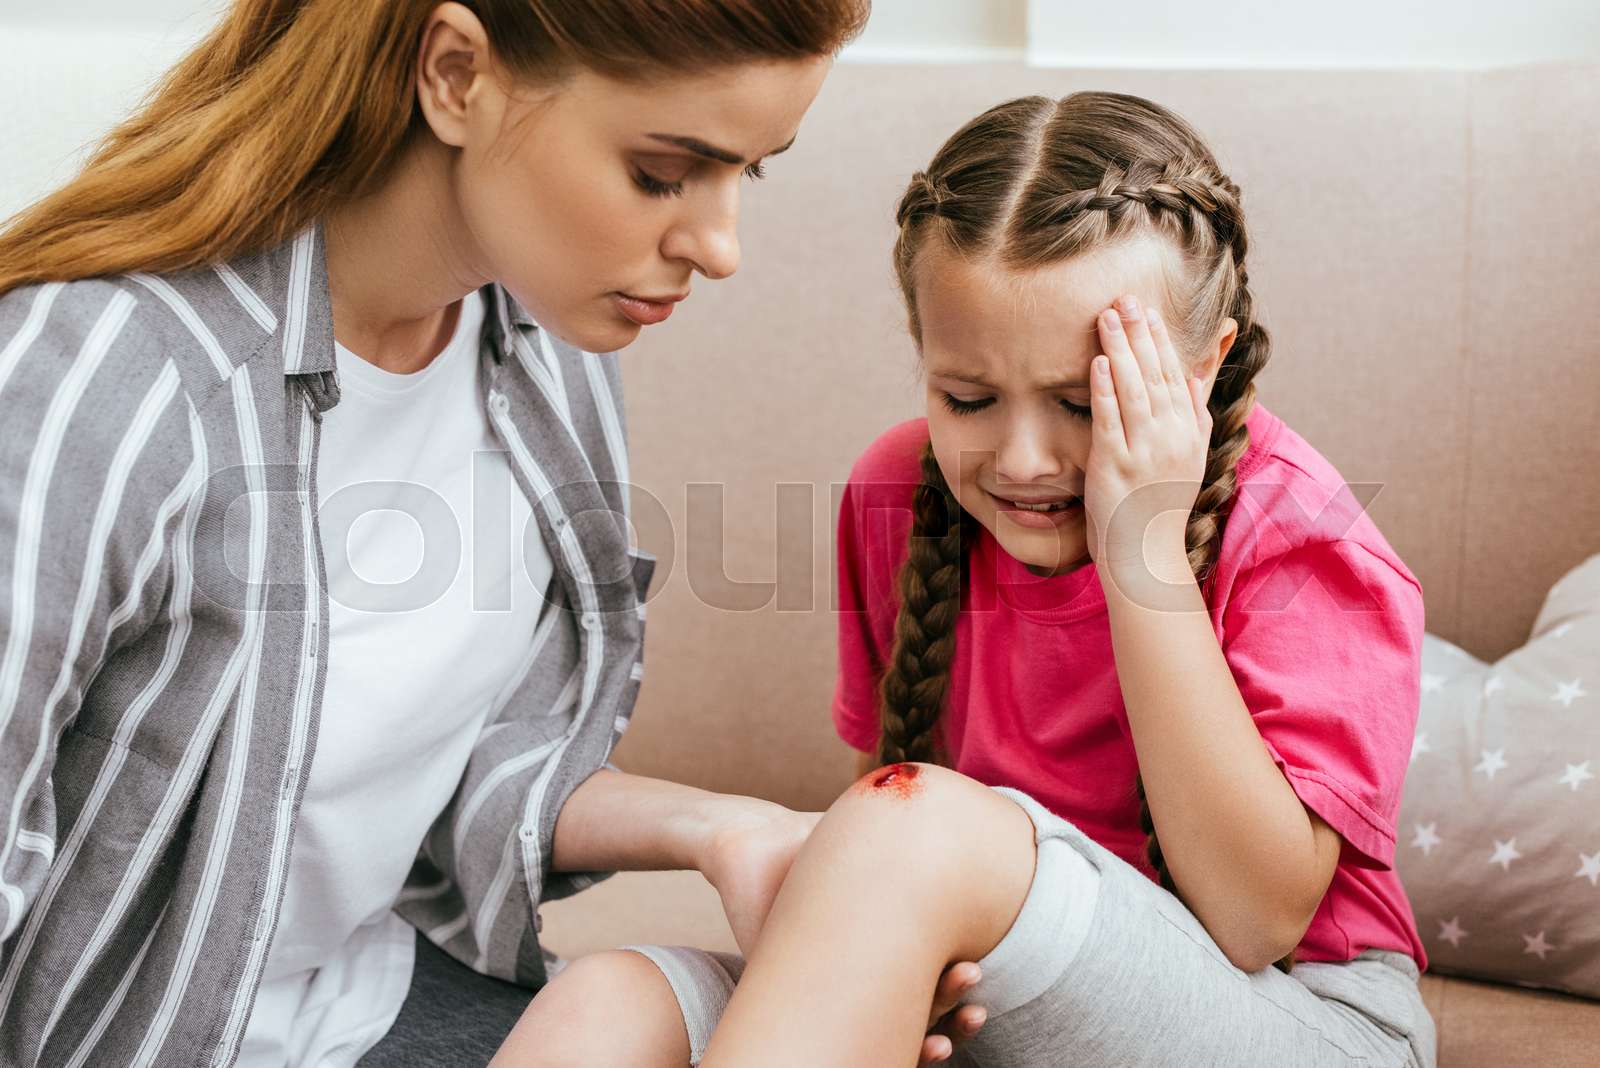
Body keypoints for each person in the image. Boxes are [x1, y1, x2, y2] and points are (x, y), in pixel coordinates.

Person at [0, 2, 985, 1065]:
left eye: (747, 172)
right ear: (456, 74)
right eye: (663, 172)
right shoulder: (100, 382)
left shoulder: (544, 354)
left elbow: (425, 768)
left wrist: (721, 831)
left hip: (377, 1007)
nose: (717, 247)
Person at [539, 91, 1437, 1067]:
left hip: (1291, 1015)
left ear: (1205, 370)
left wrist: (1142, 549)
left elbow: (1256, 921)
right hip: (1005, 992)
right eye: (967, 399)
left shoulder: (1299, 535)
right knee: (611, 1002)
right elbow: (881, 821)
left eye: (1080, 402)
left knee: (908, 821)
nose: (1020, 458)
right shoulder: (900, 491)